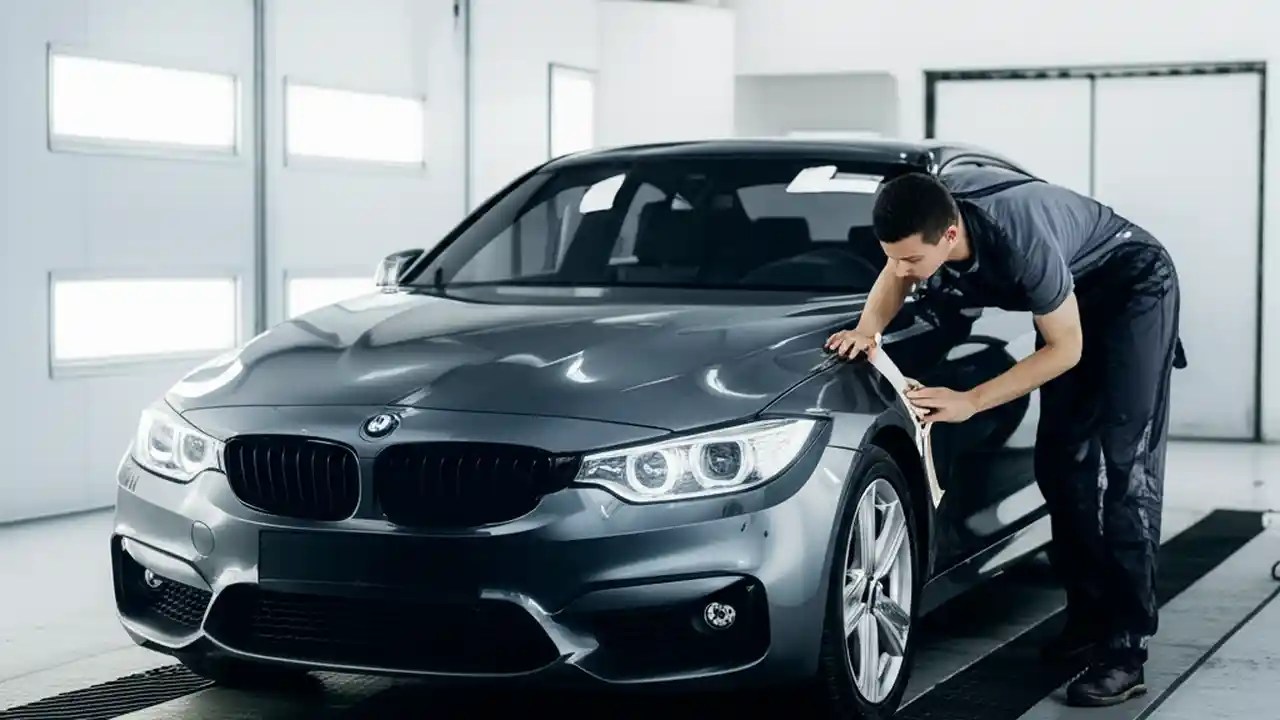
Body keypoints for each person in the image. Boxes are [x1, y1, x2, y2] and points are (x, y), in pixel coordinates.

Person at [826, 167, 1184, 708]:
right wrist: (866, 330)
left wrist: (969, 401)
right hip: (1067, 300)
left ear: (949, 236)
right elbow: (895, 275)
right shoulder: (926, 222)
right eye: (891, 256)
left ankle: (1125, 651)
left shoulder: (1019, 240)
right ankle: (1088, 620)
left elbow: (1065, 350)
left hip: (1131, 287)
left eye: (912, 260)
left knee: (1126, 470)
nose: (902, 271)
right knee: (1062, 466)